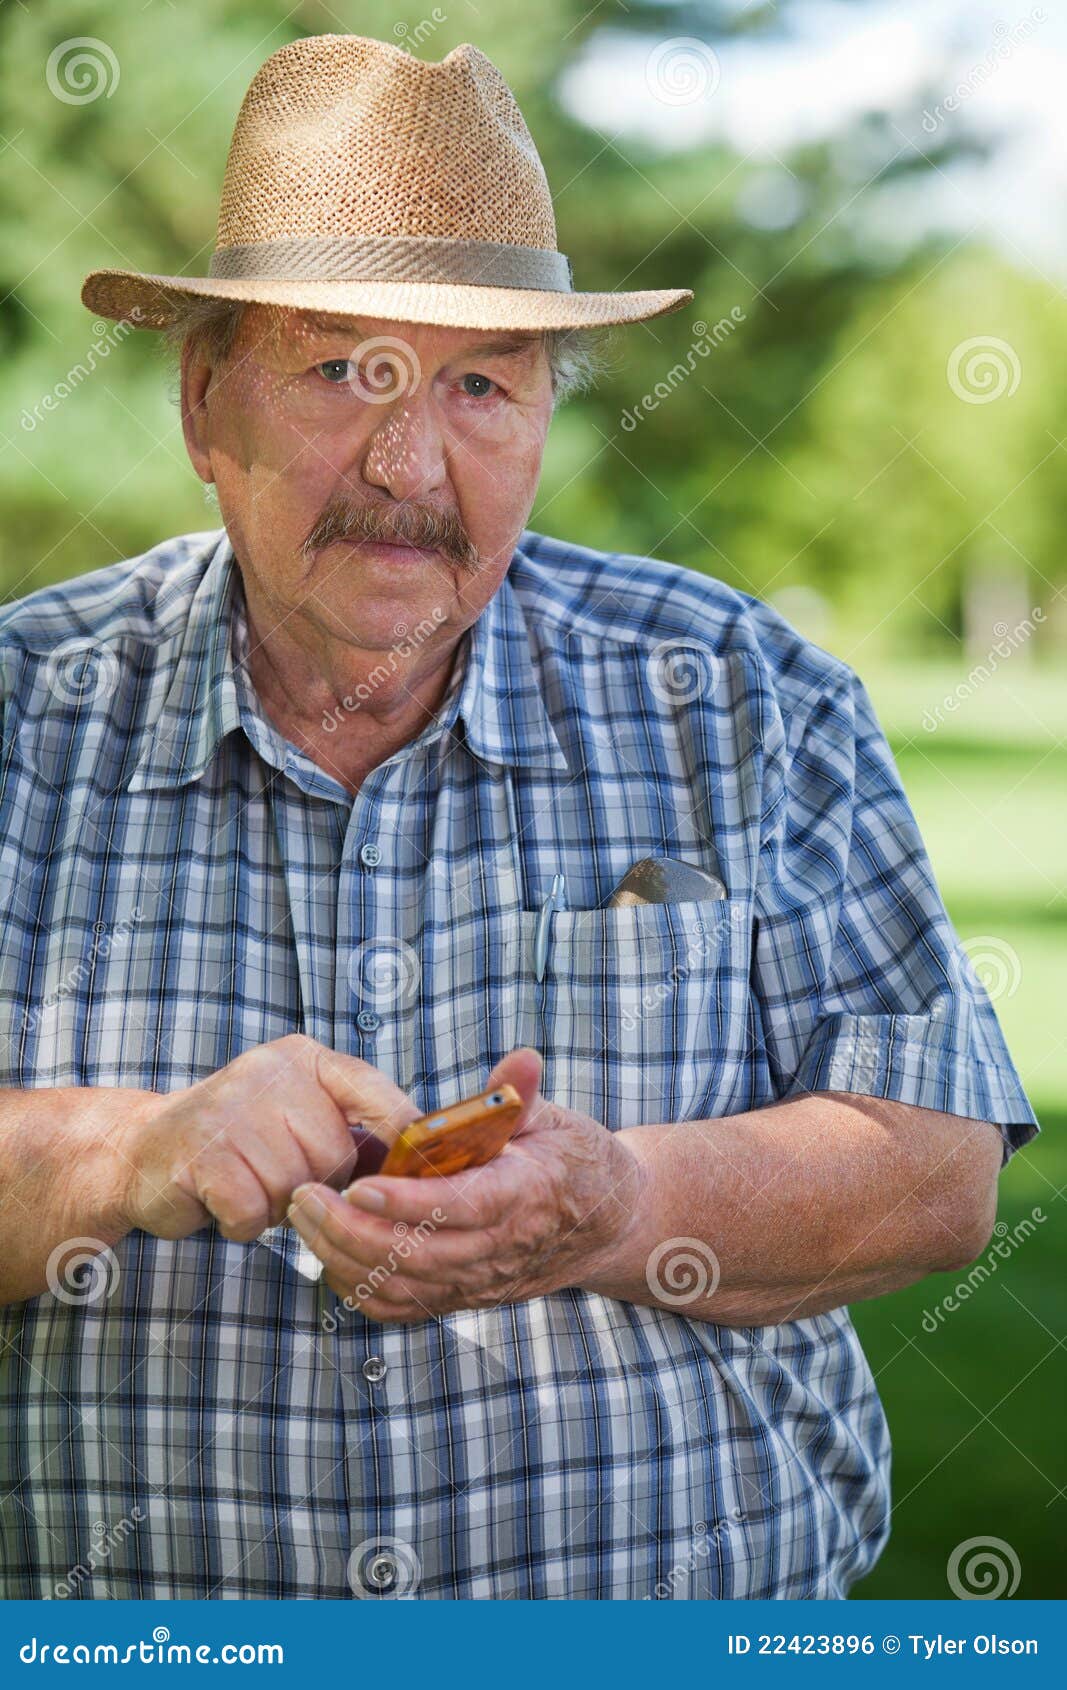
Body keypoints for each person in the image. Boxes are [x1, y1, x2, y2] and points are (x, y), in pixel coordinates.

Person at [0, 33, 1036, 1601]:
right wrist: (125, 1153)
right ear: (207, 403)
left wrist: (621, 1205)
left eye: (480, 381)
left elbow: (938, 1164)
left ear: (549, 413)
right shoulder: (23, 718)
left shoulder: (749, 696)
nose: (410, 461)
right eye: (346, 368)